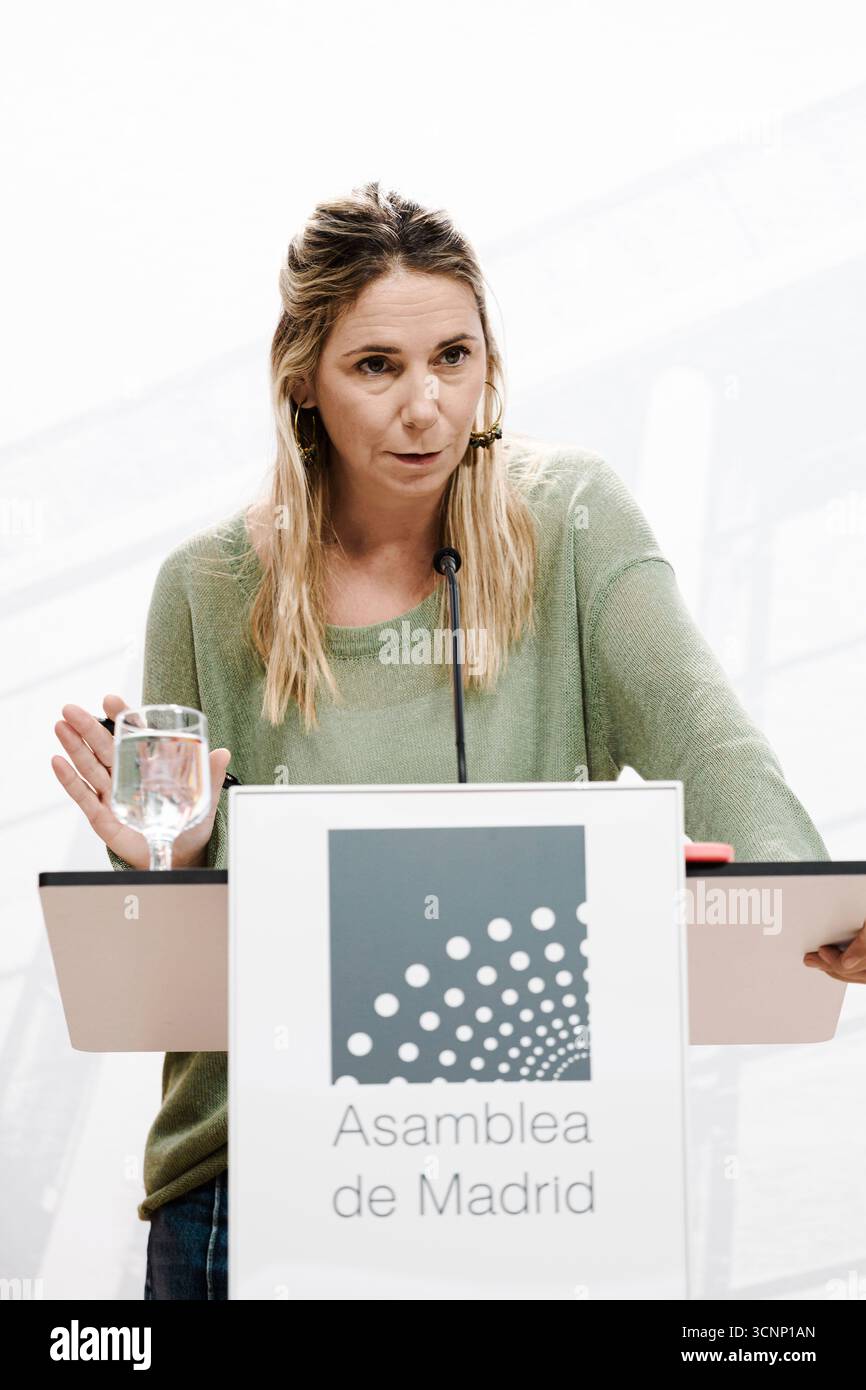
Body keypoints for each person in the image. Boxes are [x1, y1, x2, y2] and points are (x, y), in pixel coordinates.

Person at [50, 180, 866, 1300]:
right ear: (304, 384)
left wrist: (817, 899)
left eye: (453, 357)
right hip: (249, 1177)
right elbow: (177, 918)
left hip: (520, 1164)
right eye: (376, 366)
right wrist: (172, 854)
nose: (424, 406)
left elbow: (705, 738)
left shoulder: (571, 521)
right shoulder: (204, 587)